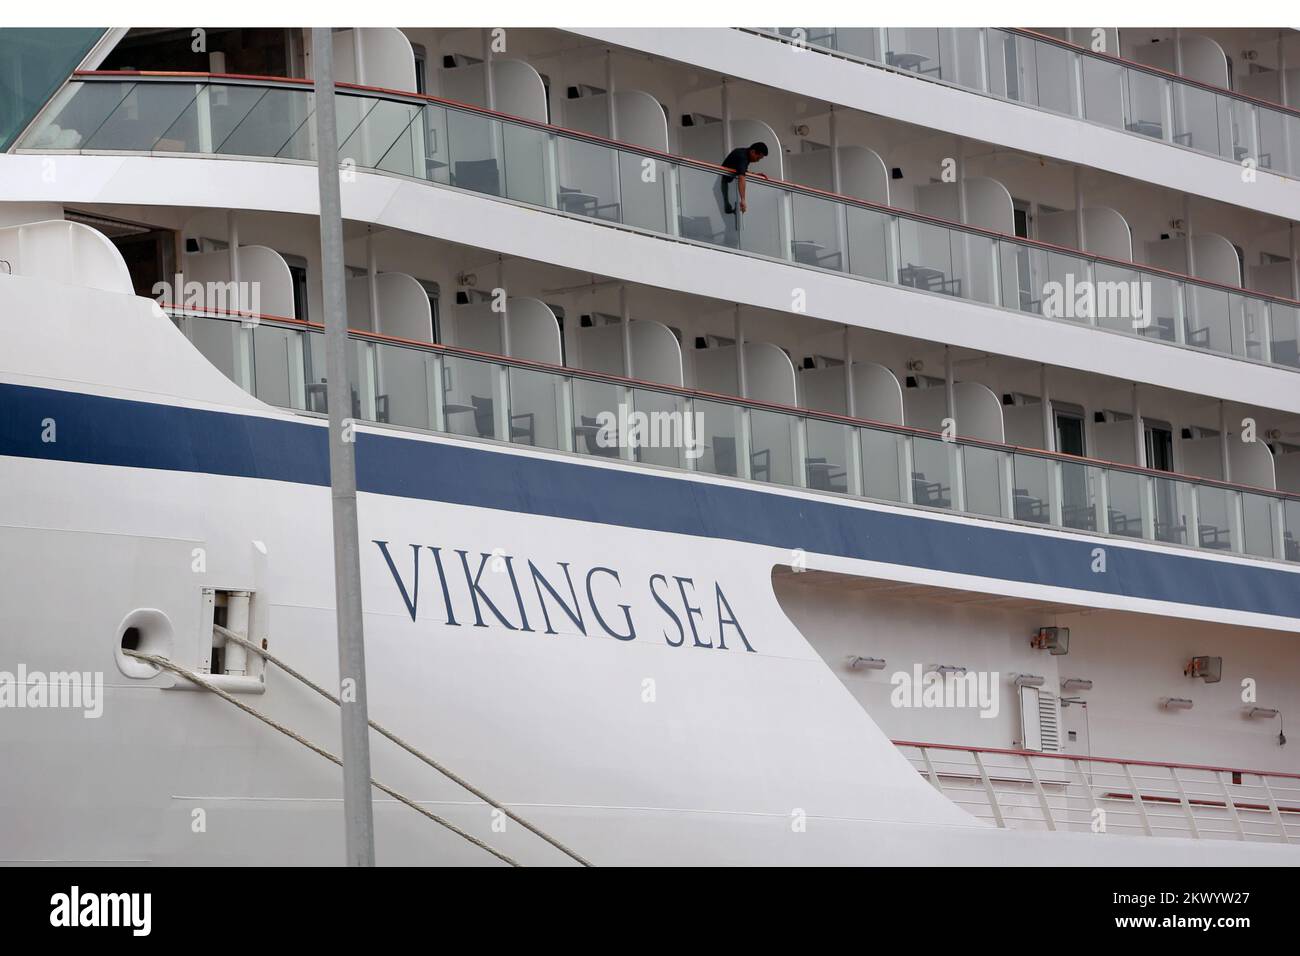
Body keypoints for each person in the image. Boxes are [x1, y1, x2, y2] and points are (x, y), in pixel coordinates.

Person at [716, 141, 769, 246]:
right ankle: (729, 246)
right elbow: (741, 177)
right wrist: (743, 200)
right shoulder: (742, 156)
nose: (758, 161)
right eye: (758, 158)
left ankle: (730, 245)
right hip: (723, 188)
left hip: (726, 187)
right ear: (753, 152)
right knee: (731, 221)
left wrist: (752, 174)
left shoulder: (743, 154)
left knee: (731, 220)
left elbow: (741, 171)